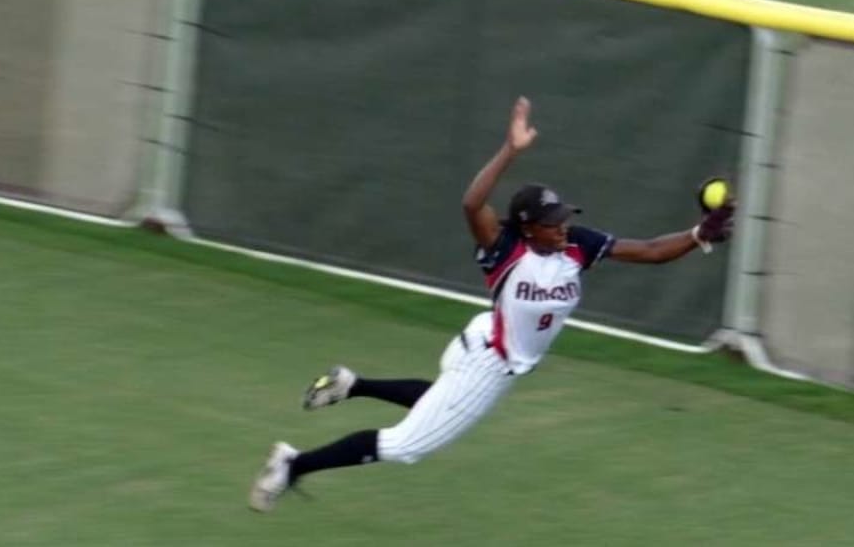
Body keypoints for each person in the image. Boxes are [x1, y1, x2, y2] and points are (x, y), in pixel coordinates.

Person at [248, 96, 735, 512]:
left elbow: (649, 250)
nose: (562, 225)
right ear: (526, 226)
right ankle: (293, 463)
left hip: (485, 336)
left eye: (563, 217)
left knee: (440, 401)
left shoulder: (576, 246)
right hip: (491, 360)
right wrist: (510, 150)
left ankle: (354, 385)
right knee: (407, 445)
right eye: (551, 220)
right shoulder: (505, 249)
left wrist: (697, 235)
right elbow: (470, 204)